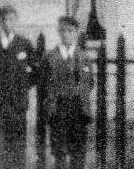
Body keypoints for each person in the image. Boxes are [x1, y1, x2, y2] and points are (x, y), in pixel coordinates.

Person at [0, 5, 36, 168]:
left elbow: (34, 72)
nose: (7, 23)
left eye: (11, 19)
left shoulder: (24, 44)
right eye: (4, 20)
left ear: (16, 20)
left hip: (17, 104)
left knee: (17, 145)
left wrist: (22, 88)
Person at [45, 16, 93, 169]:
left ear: (76, 33)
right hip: (58, 107)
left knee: (78, 150)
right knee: (59, 150)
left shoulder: (84, 56)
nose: (66, 34)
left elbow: (90, 82)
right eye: (63, 30)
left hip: (78, 108)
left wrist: (77, 93)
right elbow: (46, 84)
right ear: (59, 32)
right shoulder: (50, 56)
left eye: (70, 31)